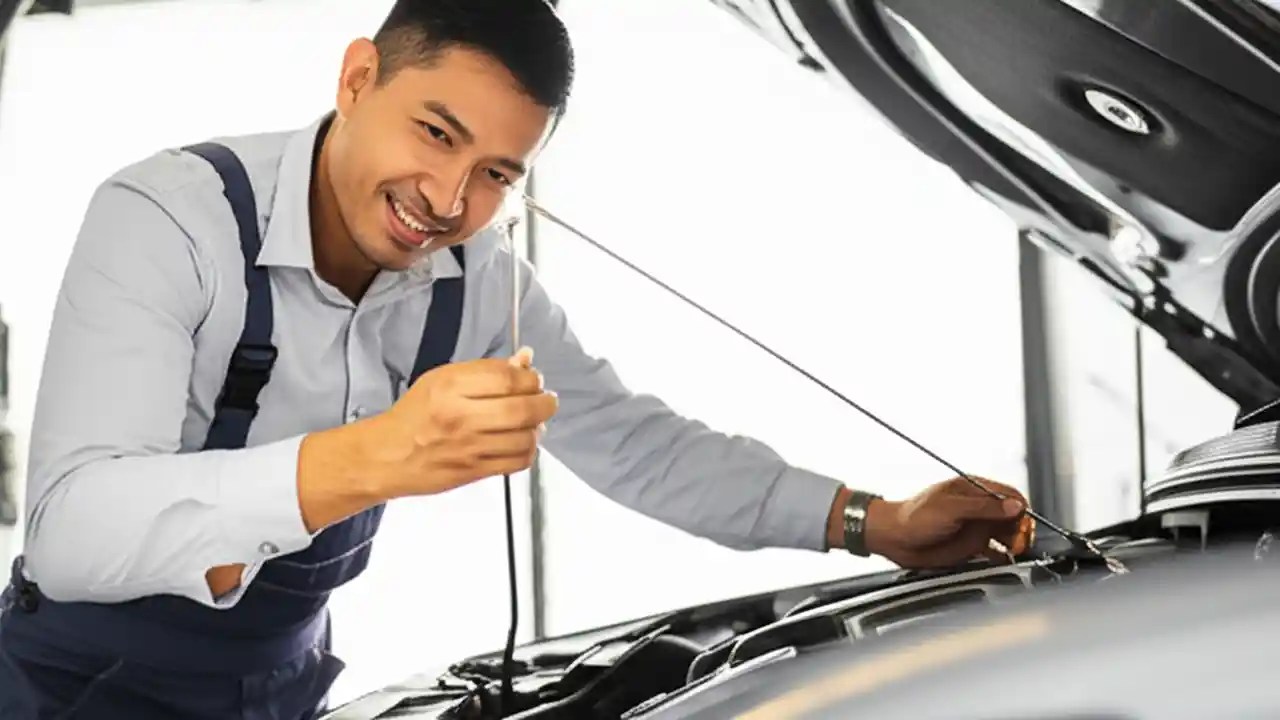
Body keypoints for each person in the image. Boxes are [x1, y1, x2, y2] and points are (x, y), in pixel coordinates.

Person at [0, 0, 1033, 717]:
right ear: (358, 78)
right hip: (75, 692)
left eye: (496, 171)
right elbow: (72, 539)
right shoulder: (171, 221)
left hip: (280, 690)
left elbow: (636, 447)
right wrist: (374, 457)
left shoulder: (473, 280)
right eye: (434, 133)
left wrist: (874, 523)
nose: (448, 202)